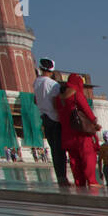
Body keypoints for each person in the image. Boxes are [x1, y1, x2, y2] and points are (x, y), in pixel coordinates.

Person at [56, 73, 99, 187]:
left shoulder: (58, 98)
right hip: (80, 132)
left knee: (74, 159)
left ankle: (79, 182)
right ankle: (92, 181)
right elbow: (87, 111)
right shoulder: (76, 95)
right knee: (87, 156)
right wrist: (95, 123)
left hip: (67, 133)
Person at [32, 57, 68, 186]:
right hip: (55, 118)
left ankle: (59, 177)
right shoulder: (53, 85)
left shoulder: (36, 82)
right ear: (52, 70)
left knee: (54, 149)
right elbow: (55, 102)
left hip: (44, 117)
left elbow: (35, 100)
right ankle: (63, 178)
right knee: (60, 149)